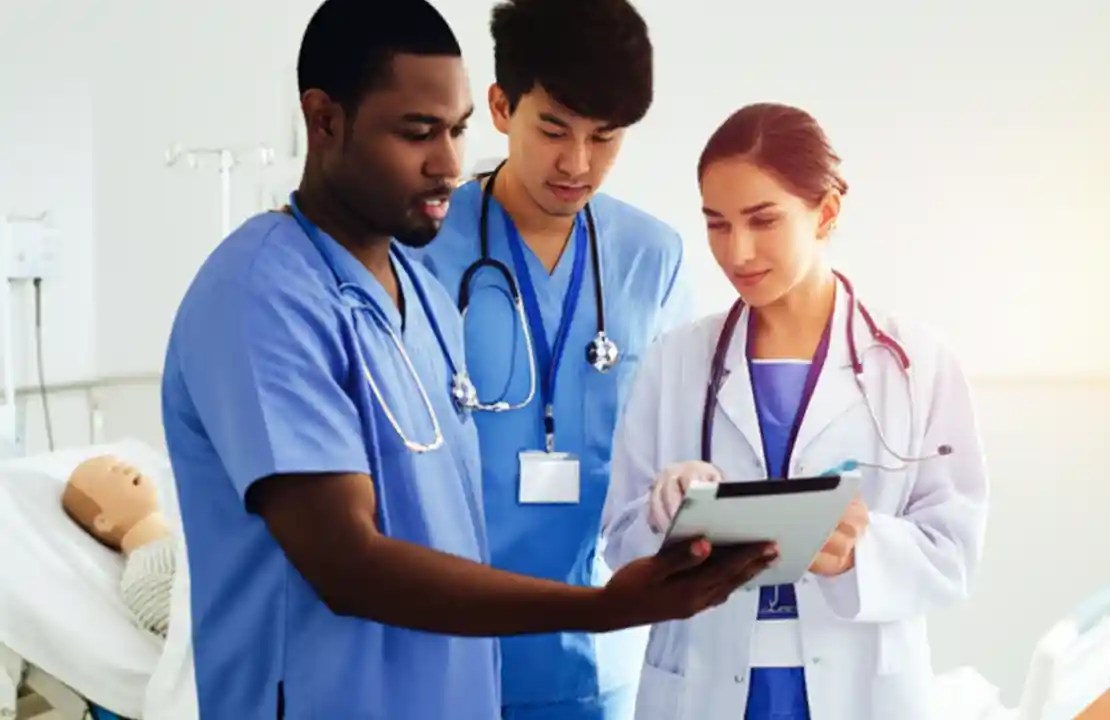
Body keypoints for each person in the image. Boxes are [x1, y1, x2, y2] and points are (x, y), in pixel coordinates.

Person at [158, 2, 774, 717]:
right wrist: (600, 607)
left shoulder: (415, 289)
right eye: (418, 133)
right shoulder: (260, 292)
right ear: (324, 120)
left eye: (454, 133)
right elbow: (346, 562)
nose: (450, 164)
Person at [600, 102, 991, 720]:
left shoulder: (916, 363)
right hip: (704, 680)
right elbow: (620, 545)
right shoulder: (676, 360)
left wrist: (864, 549)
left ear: (827, 212)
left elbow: (954, 551)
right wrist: (663, 512)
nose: (738, 252)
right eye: (717, 224)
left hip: (860, 683)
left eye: (763, 220)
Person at [411, 1, 691, 718]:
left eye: (606, 138)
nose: (578, 164)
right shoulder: (418, 251)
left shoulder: (650, 257)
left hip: (603, 646)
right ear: (501, 107)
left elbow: (676, 442)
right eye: (553, 129)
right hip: (447, 642)